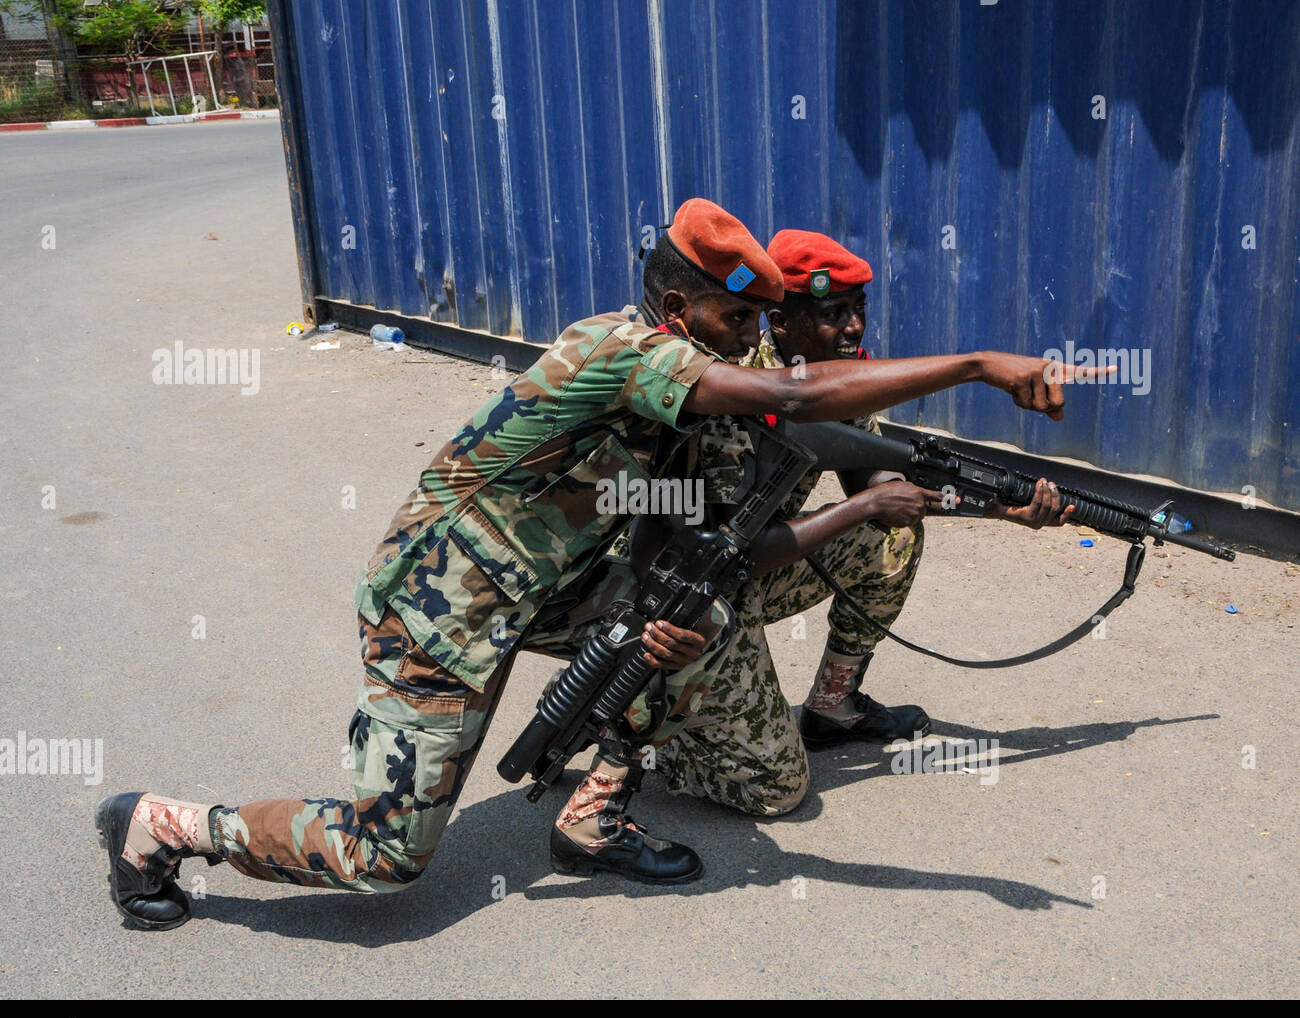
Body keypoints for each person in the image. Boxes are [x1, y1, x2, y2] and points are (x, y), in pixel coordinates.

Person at [96, 199, 1091, 931]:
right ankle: (160, 825)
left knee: (683, 614)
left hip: (552, 586)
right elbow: (796, 393)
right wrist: (974, 365)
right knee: (386, 854)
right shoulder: (617, 352)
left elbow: (684, 532)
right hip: (441, 608)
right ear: (675, 306)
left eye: (754, 325)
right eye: (733, 321)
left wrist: (660, 616)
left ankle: (591, 814)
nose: (750, 345)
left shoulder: (683, 398)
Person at [654, 229, 1075, 817]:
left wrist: (1001, 507)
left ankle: (833, 706)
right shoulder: (740, 386)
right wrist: (862, 508)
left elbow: (879, 485)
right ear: (778, 323)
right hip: (692, 598)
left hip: (748, 569)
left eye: (859, 310)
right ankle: (654, 729)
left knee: (892, 540)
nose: (854, 328)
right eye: (833, 313)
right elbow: (732, 552)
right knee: (776, 793)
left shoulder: (842, 373)